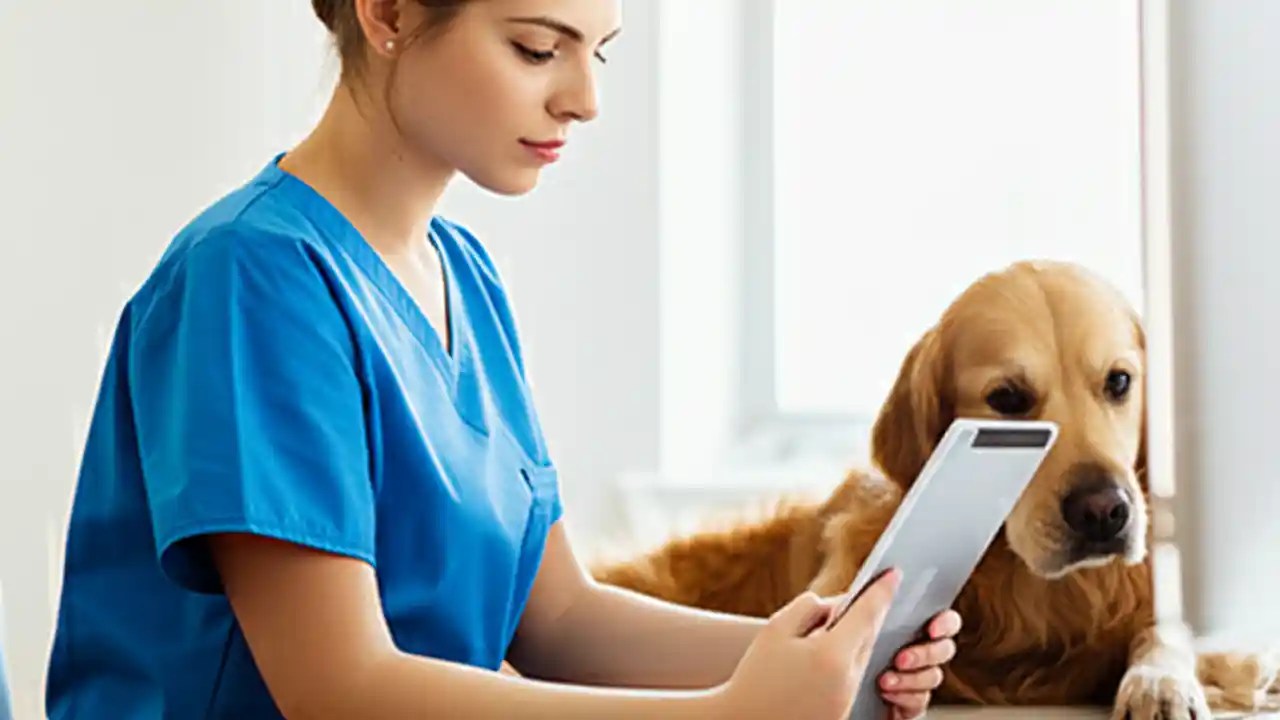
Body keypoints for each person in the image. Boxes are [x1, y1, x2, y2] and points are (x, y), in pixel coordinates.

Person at [45, 1, 962, 717]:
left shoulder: (466, 279)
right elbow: (340, 689)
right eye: (536, 48)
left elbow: (559, 619)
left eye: (597, 51)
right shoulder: (251, 276)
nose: (584, 99)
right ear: (390, 13)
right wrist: (728, 713)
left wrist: (820, 655)